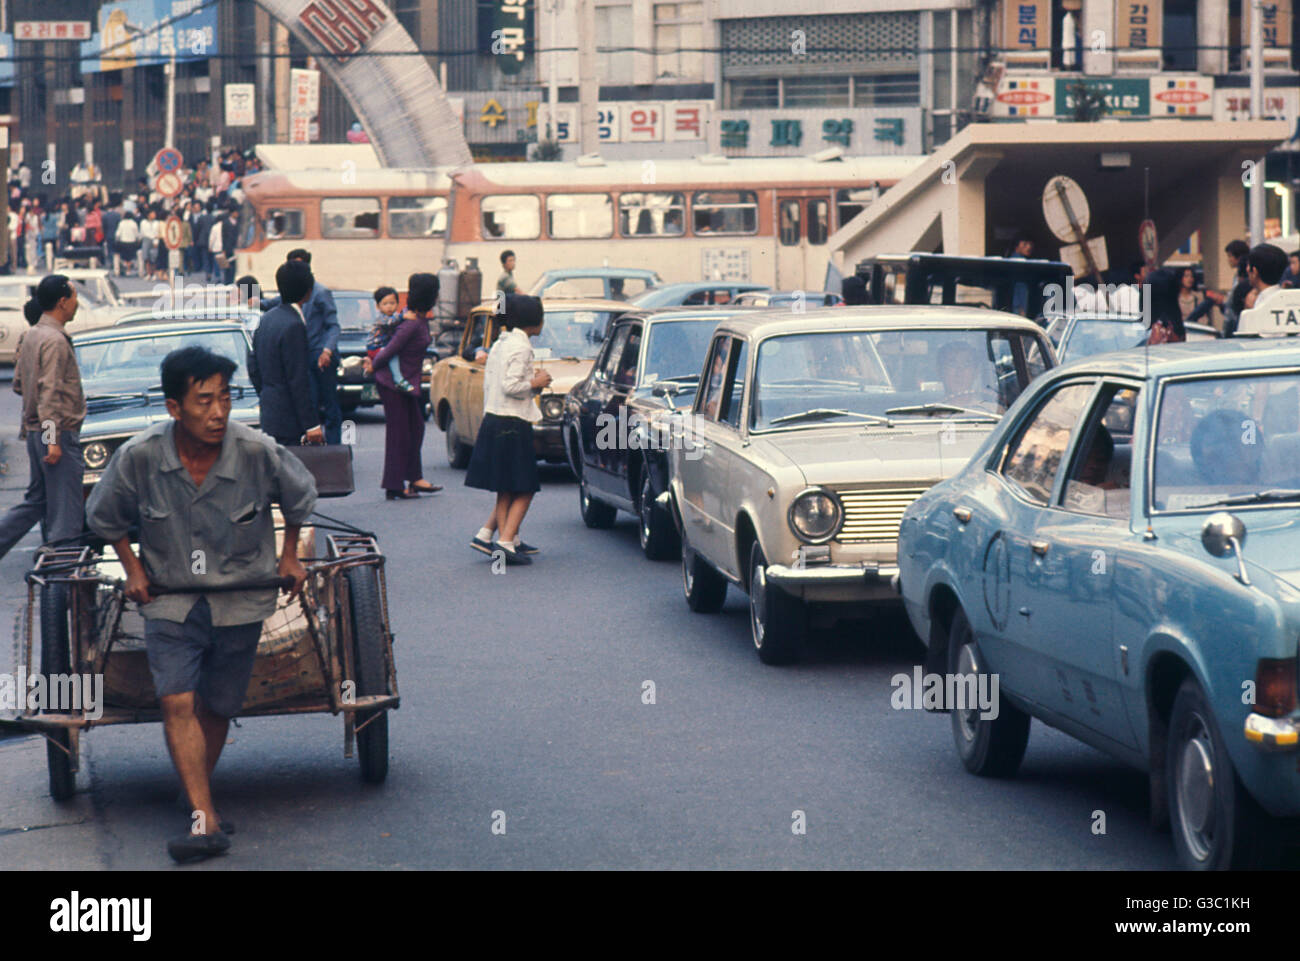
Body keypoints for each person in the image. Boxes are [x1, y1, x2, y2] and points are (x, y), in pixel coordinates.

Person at [85, 346, 318, 864]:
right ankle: (203, 820)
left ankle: (197, 797)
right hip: (171, 602)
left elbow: (300, 495)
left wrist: (289, 554)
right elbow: (103, 516)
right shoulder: (141, 455)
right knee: (176, 701)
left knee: (217, 705)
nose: (218, 413)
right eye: (204, 401)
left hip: (240, 598)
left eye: (226, 398)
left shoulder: (256, 450)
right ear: (175, 408)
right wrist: (134, 569)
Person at [0, 276, 86, 562]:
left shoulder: (33, 335)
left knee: (36, 501)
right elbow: (49, 392)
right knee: (65, 511)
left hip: (36, 432)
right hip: (55, 434)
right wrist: (53, 441)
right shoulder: (54, 340)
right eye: (74, 296)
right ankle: (65, 567)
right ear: (63, 302)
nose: (76, 303)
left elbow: (20, 385)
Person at [465, 294, 550, 564]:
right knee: (525, 487)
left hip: (495, 417)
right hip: (512, 421)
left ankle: (500, 537)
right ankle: (504, 540)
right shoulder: (521, 348)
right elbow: (511, 386)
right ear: (534, 322)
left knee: (507, 485)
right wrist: (537, 381)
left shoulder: (500, 343)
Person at [364, 274, 440, 500]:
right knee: (400, 434)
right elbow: (389, 351)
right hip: (392, 383)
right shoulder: (411, 324)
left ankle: (414, 479)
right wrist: (372, 366)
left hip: (407, 383)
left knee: (416, 428)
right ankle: (394, 485)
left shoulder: (419, 319)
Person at [263, 249, 342, 444]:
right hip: (301, 356)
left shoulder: (321, 292)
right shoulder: (287, 299)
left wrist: (327, 350)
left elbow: (333, 326)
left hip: (321, 355)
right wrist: (248, 297)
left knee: (331, 406)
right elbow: (267, 304)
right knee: (310, 401)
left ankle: (334, 449)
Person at [248, 260, 325, 447]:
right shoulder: (294, 325)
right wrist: (311, 424)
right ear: (308, 289)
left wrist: (268, 394)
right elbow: (298, 379)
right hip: (290, 419)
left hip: (270, 412)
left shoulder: (266, 319)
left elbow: (253, 366)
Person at [365, 285, 413, 393]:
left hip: (384, 345)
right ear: (378, 306)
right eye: (385, 304)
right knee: (391, 354)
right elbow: (390, 322)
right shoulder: (381, 318)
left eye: (392, 303)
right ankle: (398, 379)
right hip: (375, 346)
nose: (389, 307)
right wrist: (403, 317)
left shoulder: (395, 315)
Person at [1246, 243, 1288, 310]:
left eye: (1248, 265)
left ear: (1254, 272)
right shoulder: (1287, 300)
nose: (1247, 269)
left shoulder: (1261, 302)